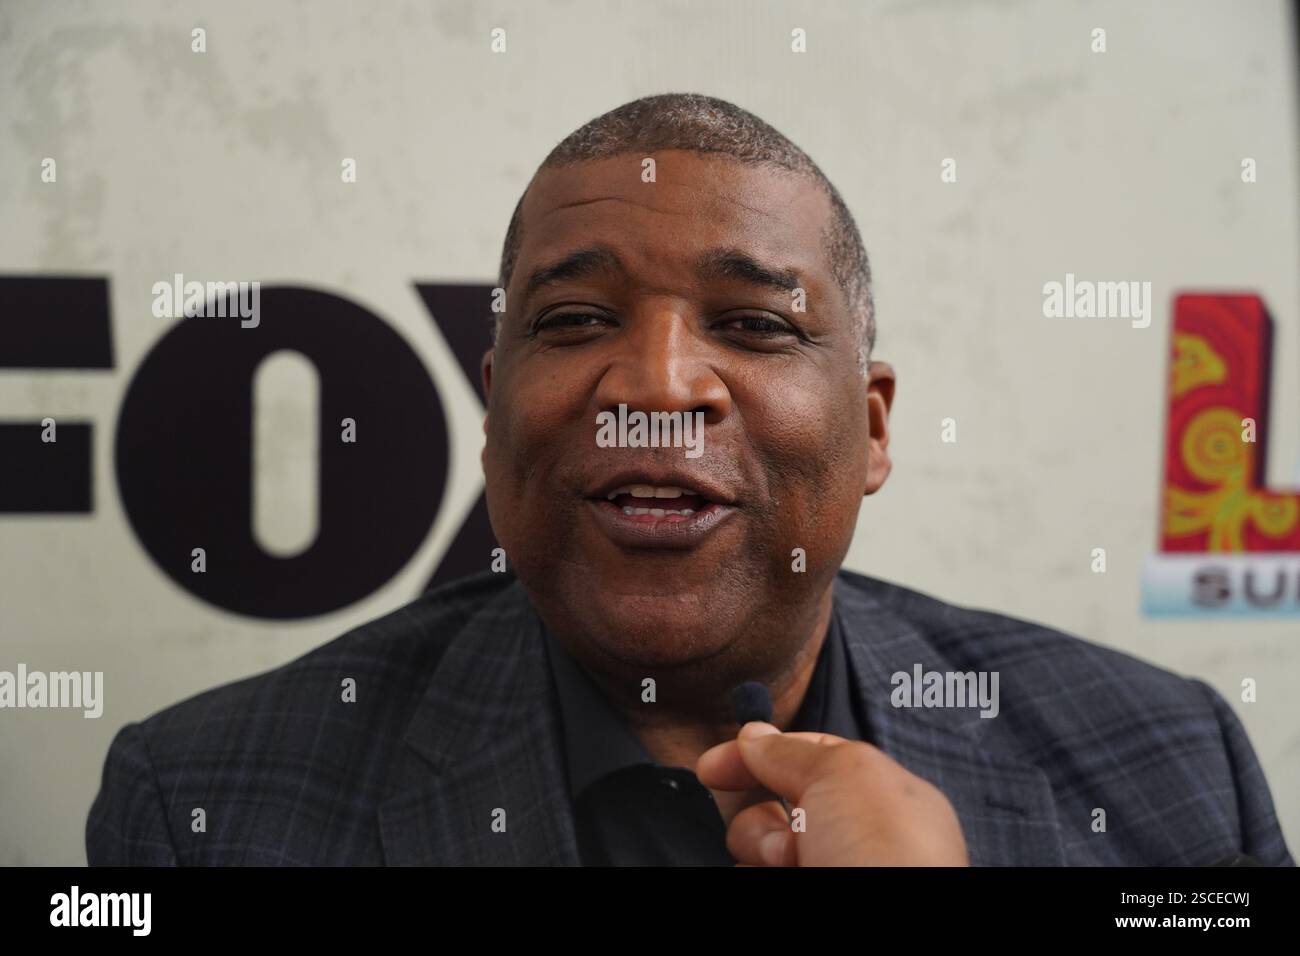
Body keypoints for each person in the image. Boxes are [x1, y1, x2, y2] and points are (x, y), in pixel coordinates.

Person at [87, 93, 1292, 866]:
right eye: (573, 318)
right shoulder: (203, 806)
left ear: (871, 429)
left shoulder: (1168, 767)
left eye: (755, 326)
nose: (657, 383)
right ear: (494, 408)